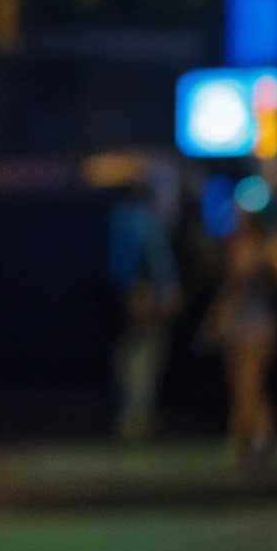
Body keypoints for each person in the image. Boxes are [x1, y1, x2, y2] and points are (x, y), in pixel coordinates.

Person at [204, 199, 277, 463]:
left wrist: (267, 260)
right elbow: (227, 290)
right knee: (241, 386)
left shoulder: (272, 249)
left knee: (249, 382)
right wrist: (216, 323)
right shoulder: (234, 247)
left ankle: (254, 441)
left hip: (260, 325)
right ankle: (251, 439)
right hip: (236, 325)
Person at [105, 185, 181, 441]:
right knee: (143, 356)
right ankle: (136, 418)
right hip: (143, 295)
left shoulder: (121, 218)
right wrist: (161, 293)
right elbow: (156, 264)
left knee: (134, 353)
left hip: (132, 294)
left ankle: (134, 417)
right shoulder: (144, 223)